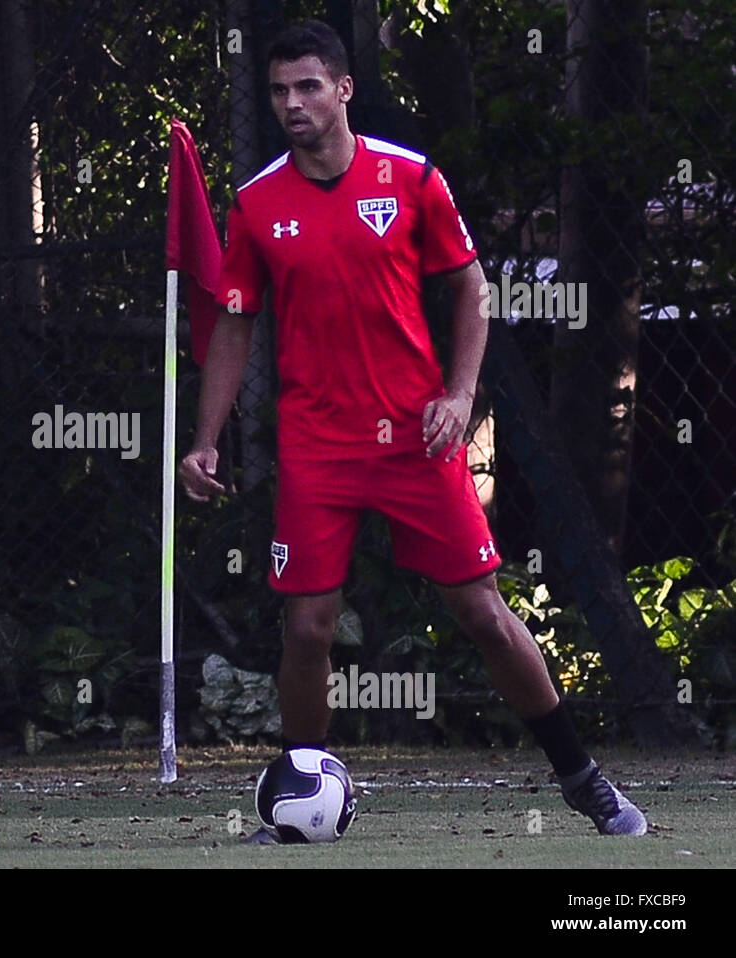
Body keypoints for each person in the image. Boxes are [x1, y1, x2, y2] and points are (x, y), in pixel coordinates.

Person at [177, 20, 647, 839]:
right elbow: (236, 325)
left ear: (344, 89)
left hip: (416, 440)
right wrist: (205, 436)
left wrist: (460, 396)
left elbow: (471, 292)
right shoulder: (255, 203)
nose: (292, 103)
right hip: (316, 446)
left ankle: (584, 780)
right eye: (279, 91)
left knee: (483, 613)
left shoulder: (413, 179)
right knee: (307, 625)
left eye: (308, 87)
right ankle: (302, 797)